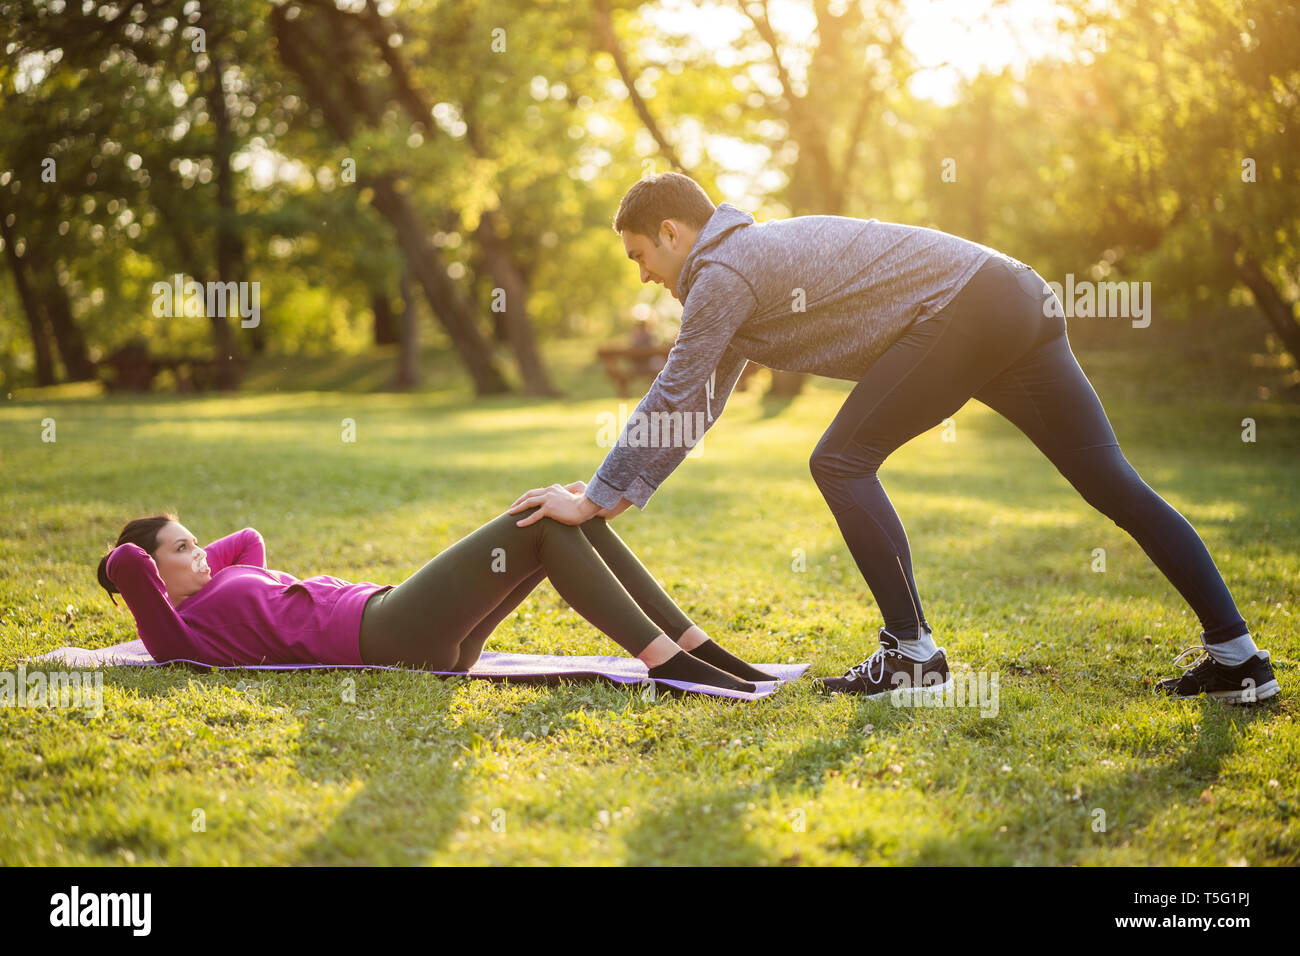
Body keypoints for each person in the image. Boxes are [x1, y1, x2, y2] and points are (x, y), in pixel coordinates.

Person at [513, 171, 1279, 705]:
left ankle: (913, 654)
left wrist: (598, 497)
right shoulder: (741, 268)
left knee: (840, 461)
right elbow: (699, 403)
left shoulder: (722, 272)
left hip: (970, 309)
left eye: (640, 255)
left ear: (671, 232)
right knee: (1113, 482)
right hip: (1013, 294)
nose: (643, 275)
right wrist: (613, 492)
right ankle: (1238, 658)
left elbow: (676, 386)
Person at [96, 486, 777, 693]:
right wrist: (152, 570)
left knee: (564, 517)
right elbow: (128, 564)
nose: (202, 554)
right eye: (183, 549)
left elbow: (244, 539)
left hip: (419, 633)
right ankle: (670, 664)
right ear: (154, 574)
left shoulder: (216, 581)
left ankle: (690, 646)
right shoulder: (178, 633)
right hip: (386, 631)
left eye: (194, 543)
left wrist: (185, 555)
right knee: (537, 521)